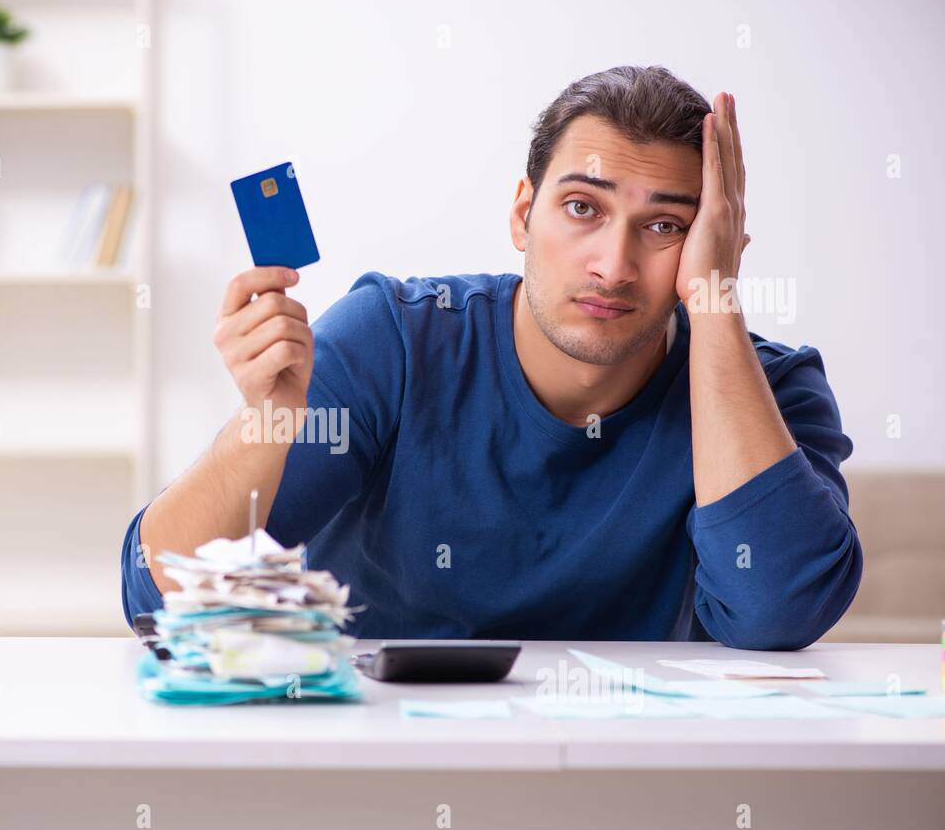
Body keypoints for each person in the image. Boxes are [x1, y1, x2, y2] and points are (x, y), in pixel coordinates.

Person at [121, 65, 862, 647]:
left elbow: (780, 612)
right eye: (582, 208)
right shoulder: (395, 341)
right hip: (373, 764)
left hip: (631, 783)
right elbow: (160, 596)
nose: (613, 264)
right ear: (521, 214)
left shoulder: (768, 386)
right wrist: (267, 424)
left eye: (665, 225)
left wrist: (715, 303)